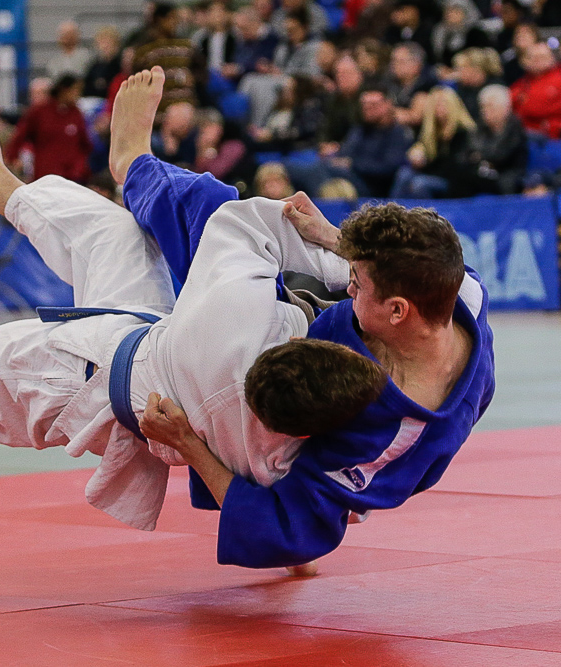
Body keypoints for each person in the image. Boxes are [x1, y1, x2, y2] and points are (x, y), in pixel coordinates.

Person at [0, 71, 389, 602]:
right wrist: (289, 539)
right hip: (154, 345)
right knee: (118, 235)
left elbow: (240, 218)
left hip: (100, 375)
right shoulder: (330, 444)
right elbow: (287, 515)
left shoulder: (246, 313)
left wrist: (343, 254)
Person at [108, 70, 494, 574]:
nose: (349, 284)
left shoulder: (383, 438)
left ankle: (130, 163)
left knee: (213, 222)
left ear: (398, 310)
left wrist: (189, 444)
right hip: (327, 349)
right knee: (248, 224)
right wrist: (335, 239)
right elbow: (419, 257)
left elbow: (289, 531)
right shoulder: (462, 291)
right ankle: (139, 168)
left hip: (285, 417)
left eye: (359, 282)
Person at [390, 86, 477, 198]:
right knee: (404, 174)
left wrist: (426, 164)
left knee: (419, 183)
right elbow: (421, 150)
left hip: (454, 181)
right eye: (436, 104)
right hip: (433, 174)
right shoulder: (430, 132)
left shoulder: (463, 132)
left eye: (443, 104)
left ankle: (426, 214)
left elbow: (455, 167)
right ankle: (394, 212)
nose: (439, 108)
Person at [4, 75, 92, 183]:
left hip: (71, 175)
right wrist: (12, 156)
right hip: (45, 173)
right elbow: (20, 135)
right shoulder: (39, 112)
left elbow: (85, 144)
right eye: (76, 90)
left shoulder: (76, 114)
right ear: (64, 90)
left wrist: (80, 167)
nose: (78, 95)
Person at [510, 41, 561, 137]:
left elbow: (536, 109)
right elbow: (509, 101)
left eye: (542, 57)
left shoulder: (559, 80)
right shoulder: (523, 82)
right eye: (534, 58)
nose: (537, 61)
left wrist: (523, 103)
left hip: (548, 134)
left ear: (551, 58)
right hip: (524, 130)